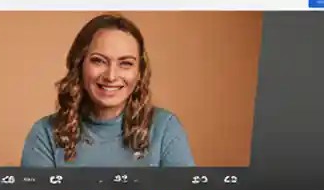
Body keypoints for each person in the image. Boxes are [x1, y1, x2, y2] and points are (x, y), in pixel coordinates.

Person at [20, 13, 195, 168]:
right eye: (99, 61)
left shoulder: (165, 128)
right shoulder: (44, 133)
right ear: (79, 65)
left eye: (125, 63)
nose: (111, 76)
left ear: (139, 72)